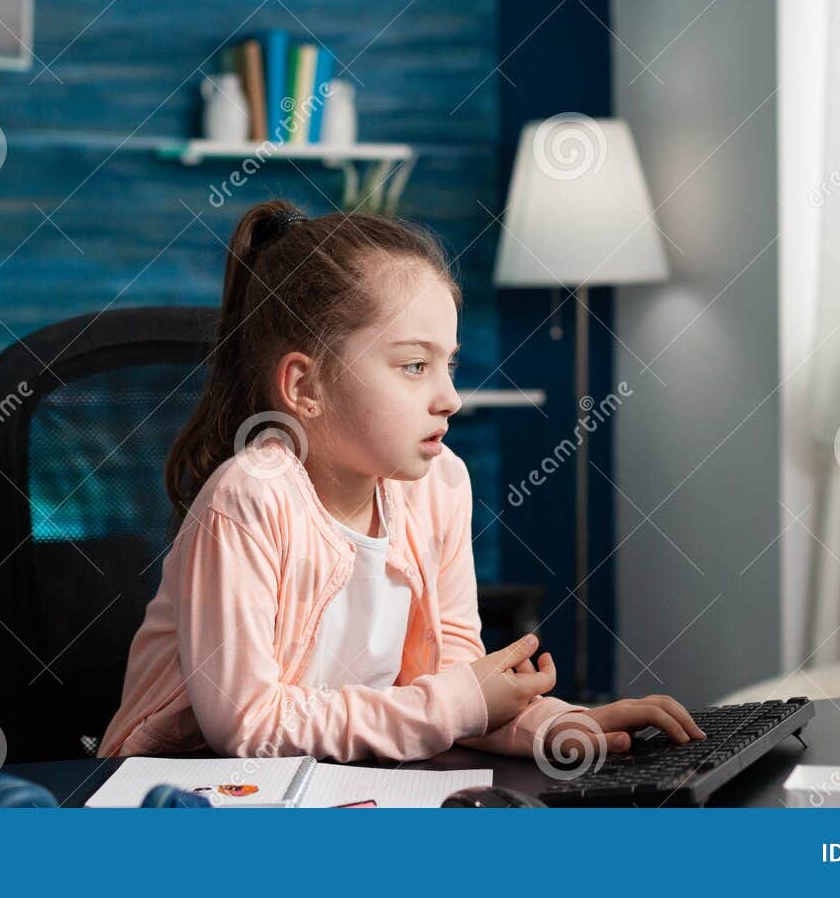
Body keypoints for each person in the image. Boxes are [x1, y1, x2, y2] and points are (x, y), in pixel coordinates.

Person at [99, 200, 703, 764]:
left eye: (450, 364)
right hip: (186, 791)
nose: (449, 399)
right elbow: (249, 727)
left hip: (334, 789)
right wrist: (458, 703)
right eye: (415, 366)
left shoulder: (439, 486)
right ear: (305, 388)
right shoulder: (249, 499)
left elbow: (453, 690)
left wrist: (561, 724)